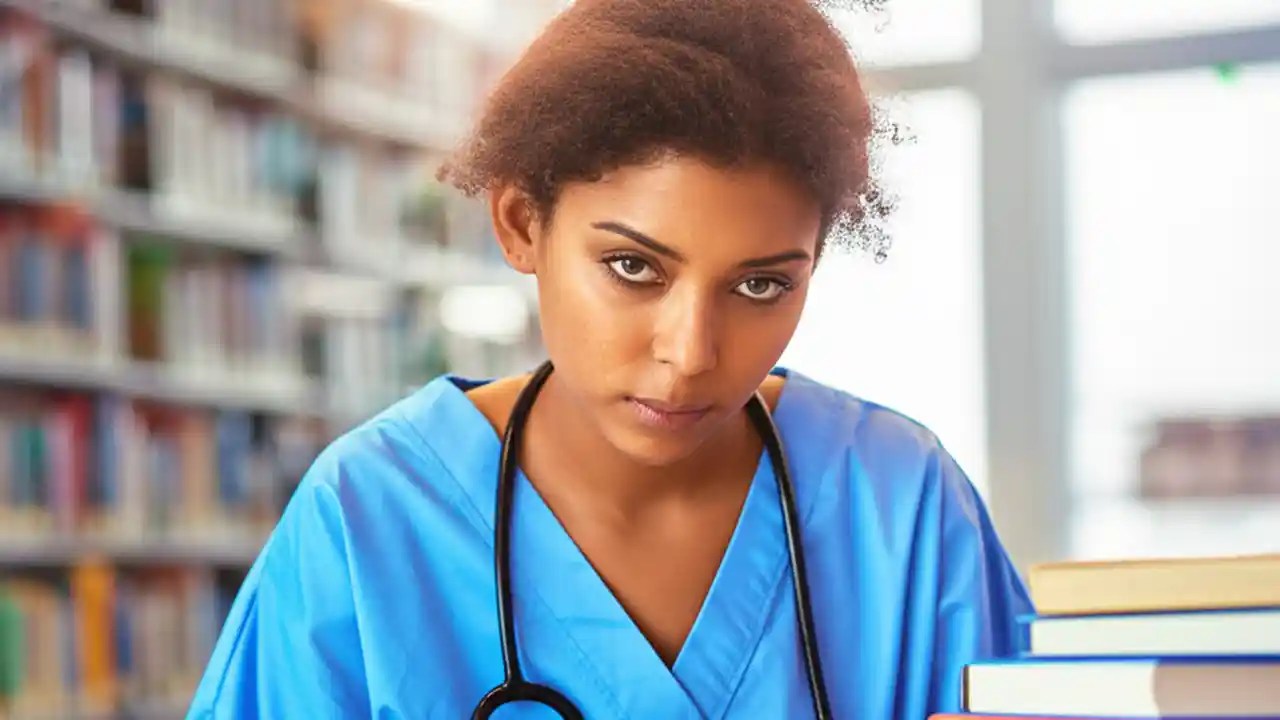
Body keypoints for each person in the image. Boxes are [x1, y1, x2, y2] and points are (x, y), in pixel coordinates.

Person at [187, 0, 1032, 717]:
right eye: (634, 268)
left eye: (762, 287)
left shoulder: (899, 506)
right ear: (521, 225)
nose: (690, 353)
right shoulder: (368, 518)